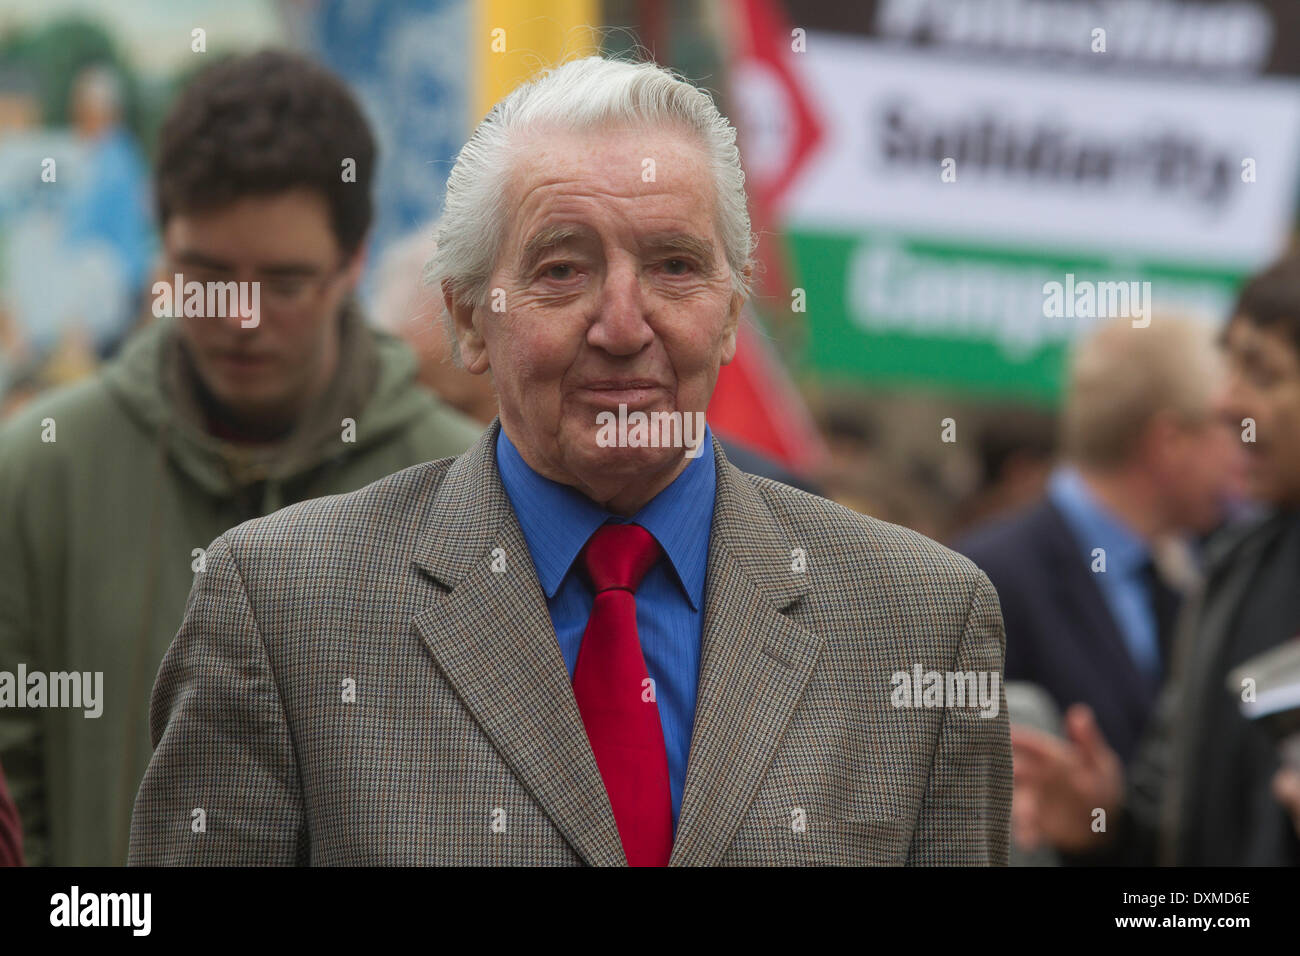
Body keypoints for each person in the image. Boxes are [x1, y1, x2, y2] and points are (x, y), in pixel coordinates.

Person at [129, 55, 1010, 867]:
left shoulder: (924, 621)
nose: (625, 326)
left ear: (735, 311)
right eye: (561, 270)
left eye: (674, 266)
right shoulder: (284, 611)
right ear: (469, 319)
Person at [0, 50, 481, 866]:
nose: (241, 318)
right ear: (162, 247)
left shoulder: (467, 491)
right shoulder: (36, 474)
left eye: (286, 282)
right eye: (207, 275)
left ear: (354, 263)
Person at [1012, 254, 1300, 865]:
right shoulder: (1233, 571)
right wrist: (1102, 819)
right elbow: (1176, 831)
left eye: (1264, 374)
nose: (1228, 404)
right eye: (1229, 367)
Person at [958, 315, 1237, 768]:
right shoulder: (985, 580)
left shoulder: (1200, 565)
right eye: (1227, 425)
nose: (1241, 452)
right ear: (1170, 442)